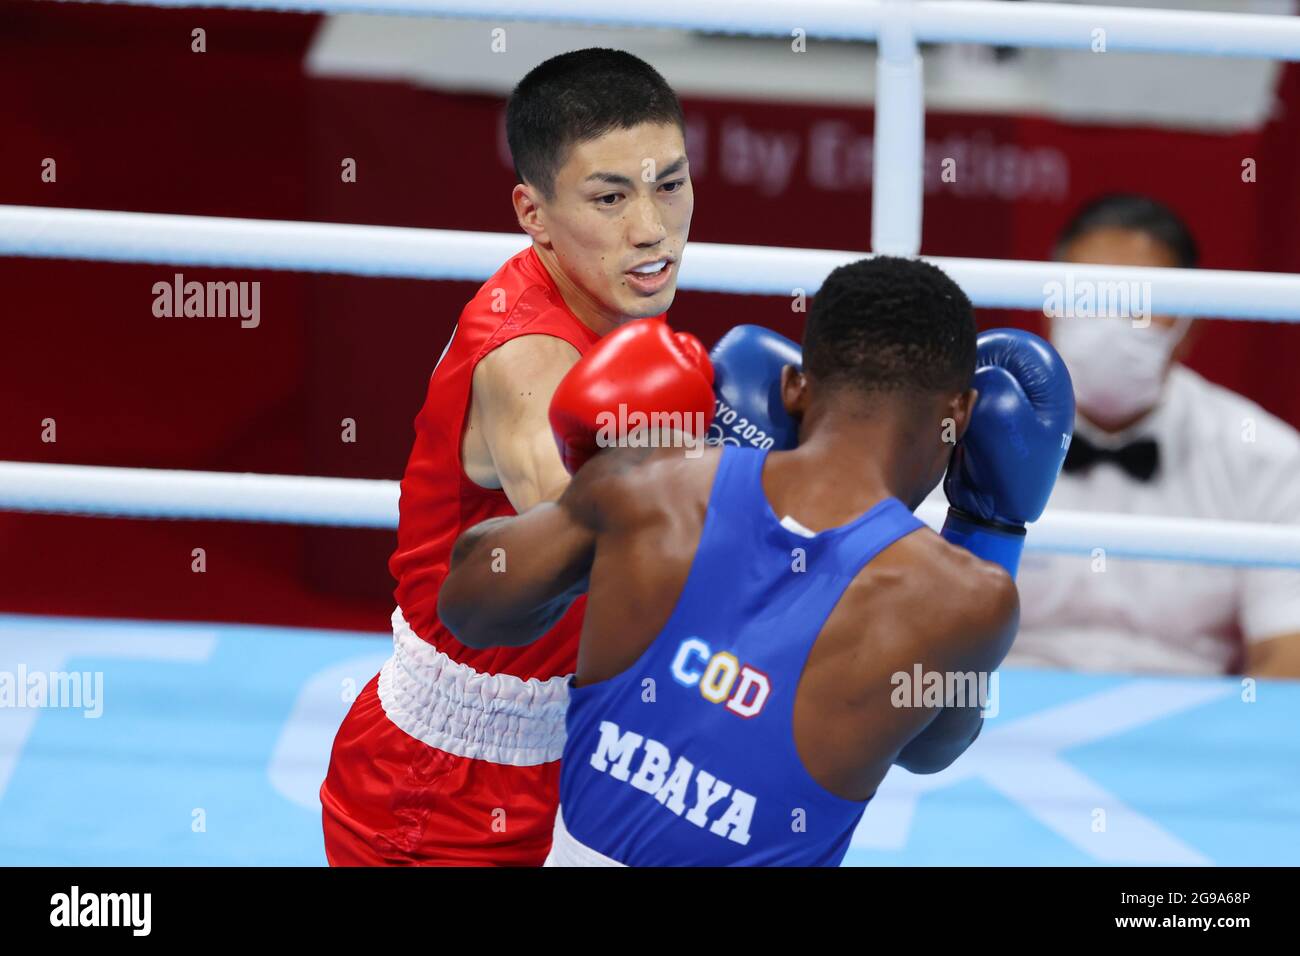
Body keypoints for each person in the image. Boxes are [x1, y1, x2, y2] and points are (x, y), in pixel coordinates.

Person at [438, 256, 1075, 866]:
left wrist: (594, 477)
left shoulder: (653, 484)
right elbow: (932, 749)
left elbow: (469, 605)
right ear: (960, 414)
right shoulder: (964, 601)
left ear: (795, 384)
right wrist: (990, 528)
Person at [319, 47, 698, 865]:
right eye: (610, 197)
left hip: (584, 746)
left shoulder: (605, 298)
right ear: (533, 212)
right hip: (444, 785)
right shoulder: (525, 361)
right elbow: (598, 535)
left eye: (669, 182)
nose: (651, 227)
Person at [1012, 194, 1300, 678]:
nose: (1109, 325)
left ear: (1191, 324)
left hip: (1190, 730)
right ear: (1049, 309)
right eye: (1087, 298)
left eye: (1140, 305)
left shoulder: (1268, 458)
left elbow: (1287, 654)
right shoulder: (967, 439)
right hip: (990, 723)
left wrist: (1219, 749)